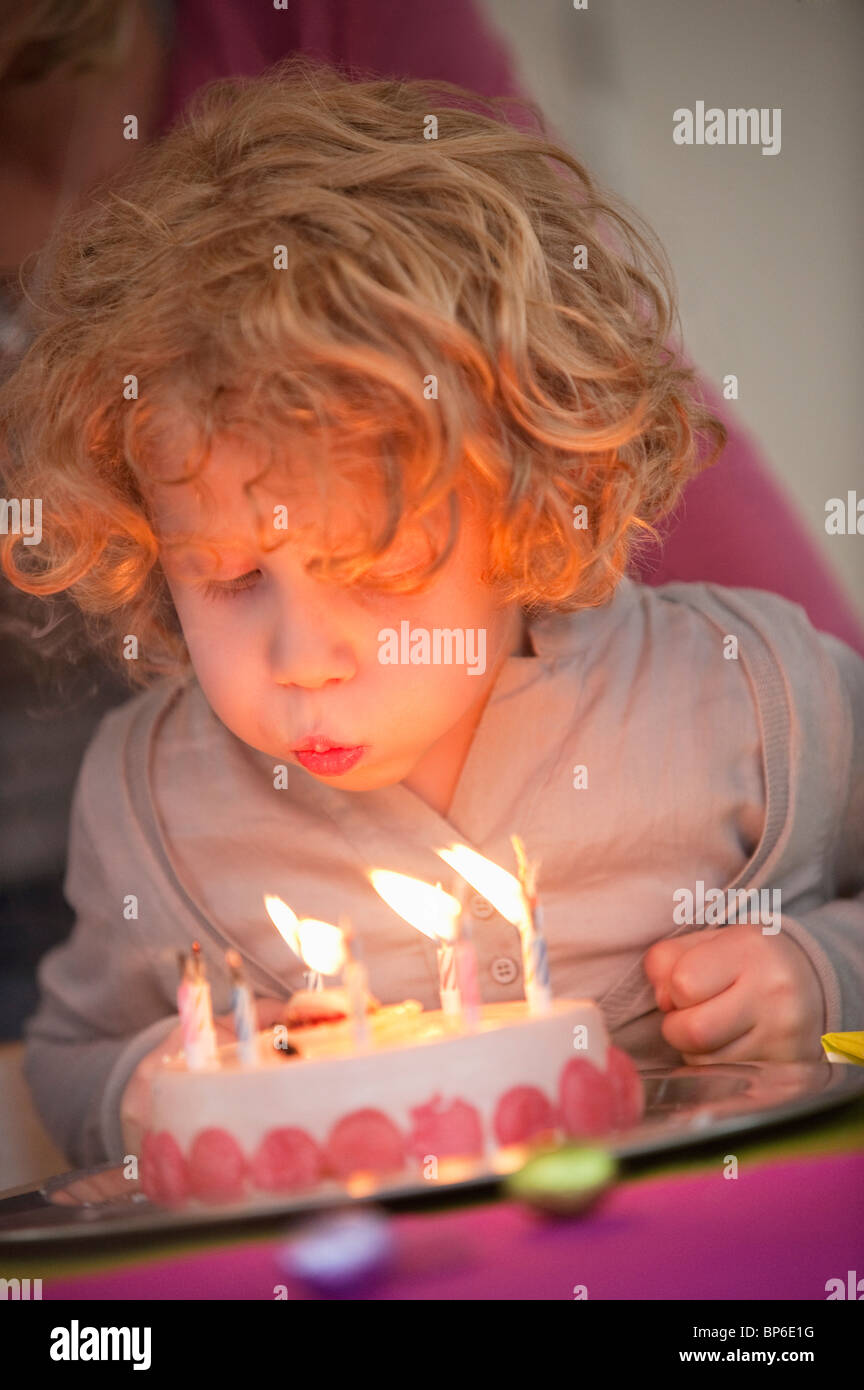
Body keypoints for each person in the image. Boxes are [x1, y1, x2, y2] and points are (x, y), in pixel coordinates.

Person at [1, 58, 862, 1170]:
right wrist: (159, 1087)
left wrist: (830, 970)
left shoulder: (753, 696)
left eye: (377, 567)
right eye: (227, 576)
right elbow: (69, 1054)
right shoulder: (152, 806)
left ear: (529, 499)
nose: (302, 657)